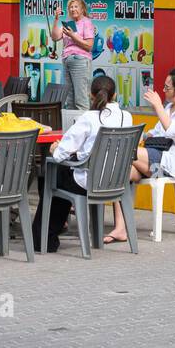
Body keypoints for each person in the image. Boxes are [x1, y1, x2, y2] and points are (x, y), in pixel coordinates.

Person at [104, 68, 175, 245]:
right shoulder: (169, 108)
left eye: (167, 88)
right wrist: (143, 136)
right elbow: (157, 132)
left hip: (170, 167)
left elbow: (174, 132)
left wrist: (158, 106)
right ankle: (120, 229)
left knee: (124, 151)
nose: (164, 90)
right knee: (122, 171)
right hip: (154, 163)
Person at [31, 75, 132, 253]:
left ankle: (43, 238)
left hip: (87, 182)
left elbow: (62, 153)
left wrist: (55, 149)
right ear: (115, 95)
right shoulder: (126, 117)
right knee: (61, 174)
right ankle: (51, 231)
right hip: (115, 181)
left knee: (51, 174)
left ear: (90, 95)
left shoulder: (89, 118)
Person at [51, 0, 96, 110]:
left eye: (76, 6)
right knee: (70, 99)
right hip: (67, 60)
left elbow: (89, 46)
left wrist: (72, 36)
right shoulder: (68, 24)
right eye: (71, 7)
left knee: (81, 98)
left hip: (80, 60)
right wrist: (56, 18)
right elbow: (55, 37)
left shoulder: (86, 22)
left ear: (82, 9)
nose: (73, 9)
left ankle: (85, 126)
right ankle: (72, 125)